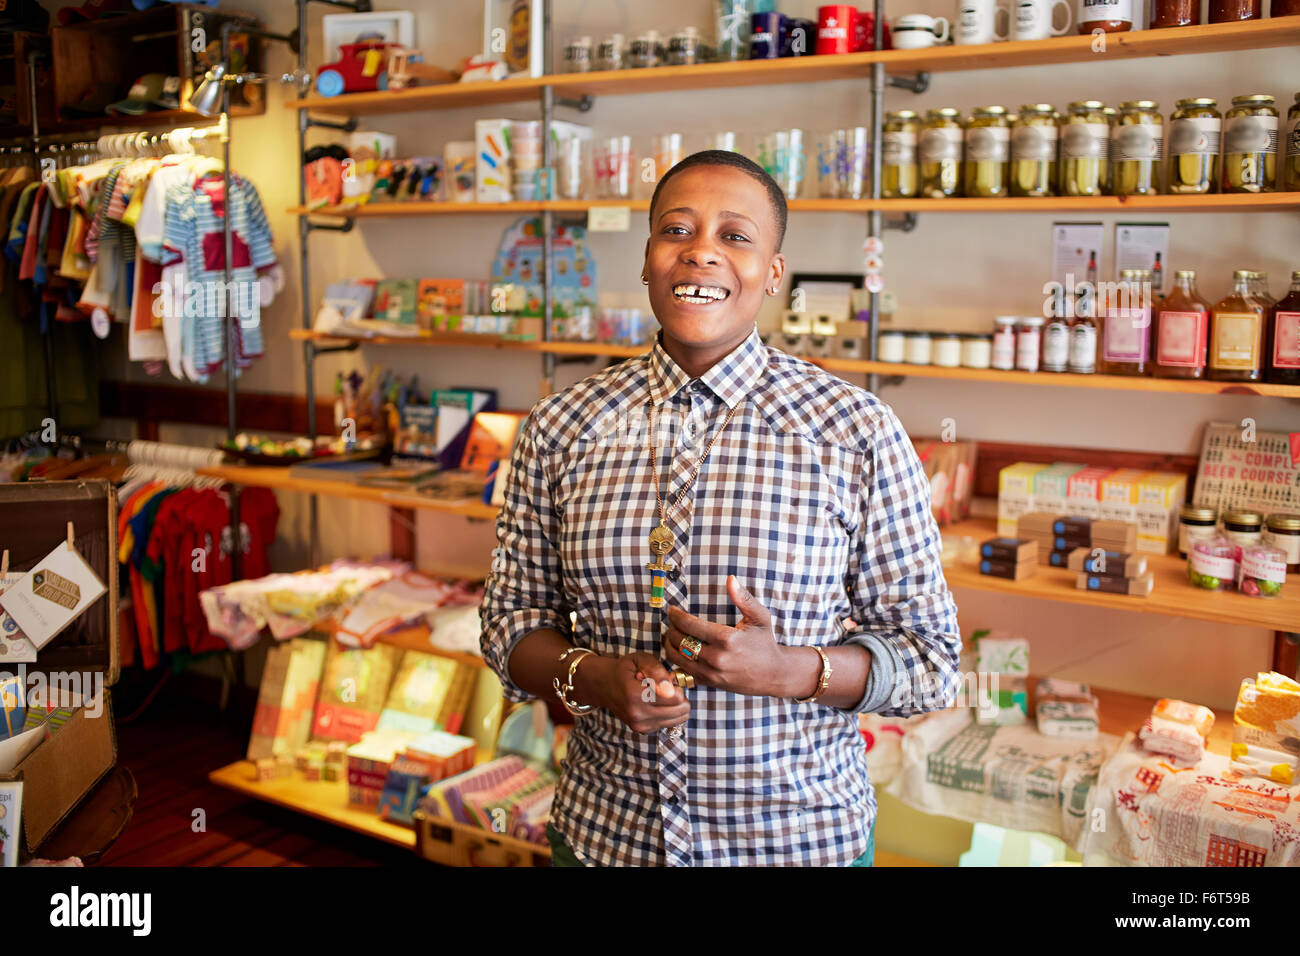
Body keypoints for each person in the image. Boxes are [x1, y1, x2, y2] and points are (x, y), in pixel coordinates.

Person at [480, 150, 961, 867]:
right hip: (606, 838)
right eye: (676, 229)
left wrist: (793, 671)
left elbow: (932, 662)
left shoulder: (854, 430)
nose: (701, 250)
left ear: (773, 273)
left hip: (796, 842)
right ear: (647, 261)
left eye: (735, 236)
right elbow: (510, 625)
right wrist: (596, 679)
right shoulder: (560, 425)